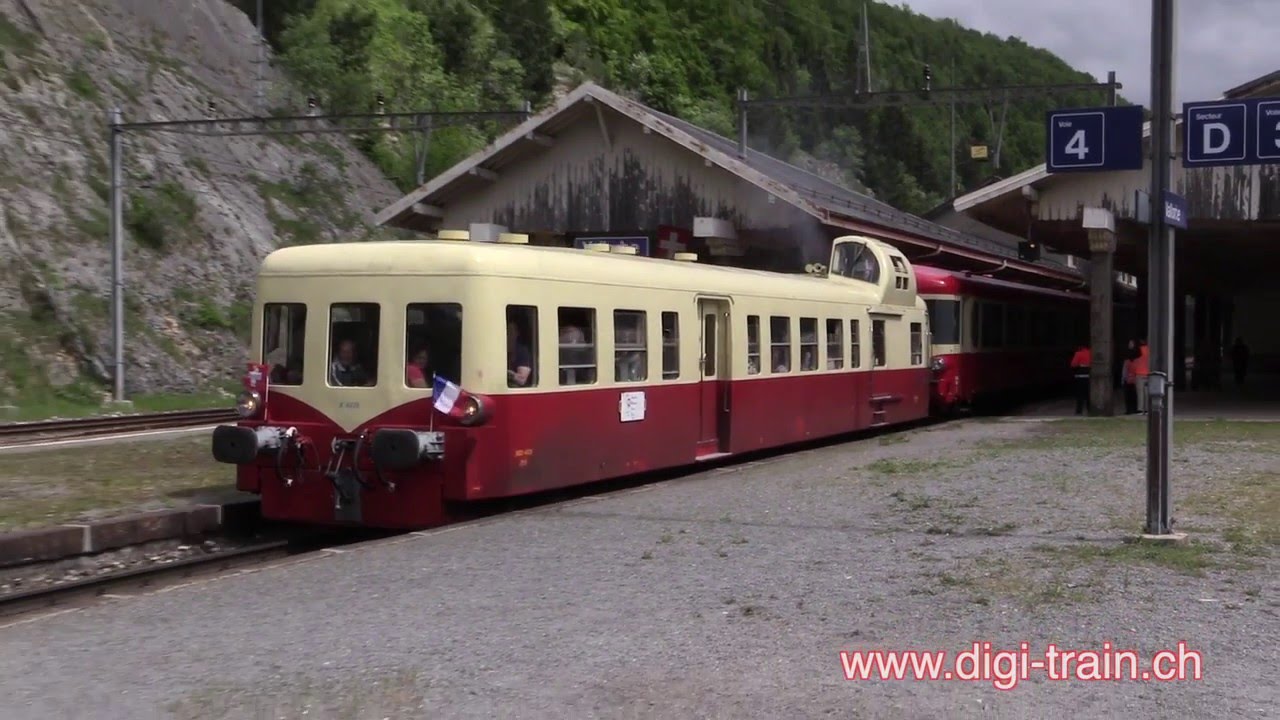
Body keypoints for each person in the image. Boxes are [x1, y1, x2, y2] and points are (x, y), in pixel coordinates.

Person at [507, 321, 533, 387]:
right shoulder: (503, 349)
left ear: (517, 333)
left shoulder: (522, 351)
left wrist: (505, 372)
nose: (508, 334)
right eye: (507, 331)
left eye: (511, 331)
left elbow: (522, 380)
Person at [1070, 342, 1091, 415]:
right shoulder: (1091, 353)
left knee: (1080, 395)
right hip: (1090, 376)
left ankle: (1079, 411)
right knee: (1089, 394)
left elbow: (1073, 364)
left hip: (1080, 376)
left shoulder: (1078, 354)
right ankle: (1090, 409)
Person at [1121, 340, 1139, 414]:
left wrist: (1123, 379)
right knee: (1132, 395)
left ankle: (1130, 409)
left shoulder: (1128, 359)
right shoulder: (1136, 357)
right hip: (1133, 378)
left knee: (1130, 395)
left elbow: (1124, 371)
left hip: (1130, 378)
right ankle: (1132, 409)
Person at [1133, 339, 1150, 413]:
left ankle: (1140, 409)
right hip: (1148, 374)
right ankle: (1147, 409)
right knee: (1147, 393)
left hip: (1139, 373)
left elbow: (1134, 364)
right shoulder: (1149, 351)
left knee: (1140, 393)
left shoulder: (1137, 351)